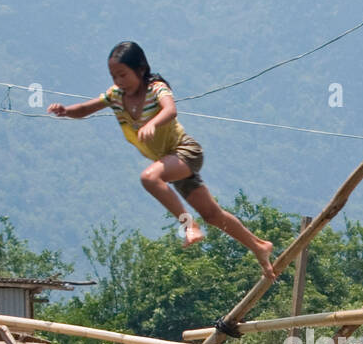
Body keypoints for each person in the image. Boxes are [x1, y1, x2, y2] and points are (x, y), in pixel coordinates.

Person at [47, 40, 276, 280]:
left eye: (123, 74)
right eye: (114, 75)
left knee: (149, 178)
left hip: (186, 152)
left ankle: (190, 226)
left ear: (141, 69)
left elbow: (170, 110)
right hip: (169, 160)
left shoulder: (156, 89)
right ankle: (259, 246)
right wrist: (66, 111)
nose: (118, 81)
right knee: (212, 215)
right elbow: (85, 109)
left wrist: (152, 124)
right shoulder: (115, 95)